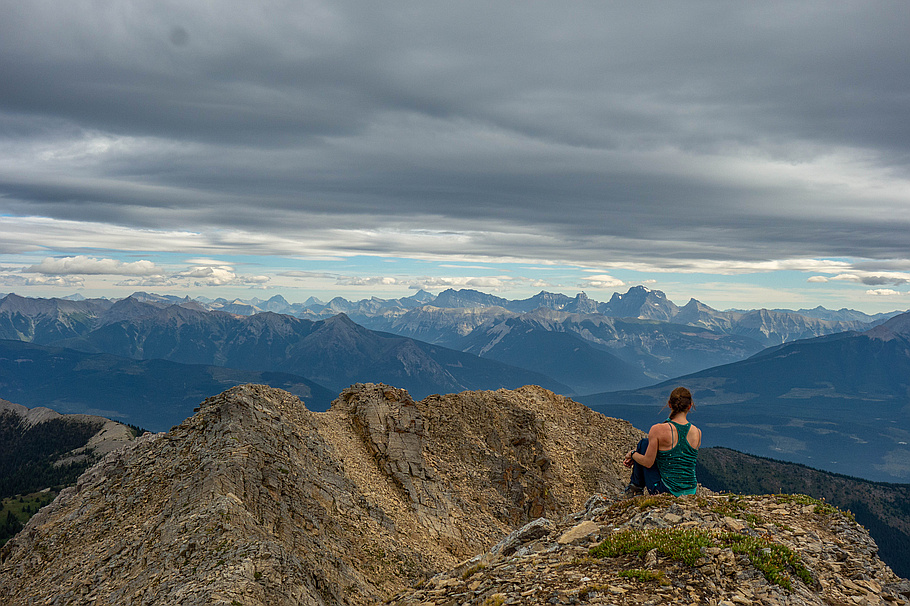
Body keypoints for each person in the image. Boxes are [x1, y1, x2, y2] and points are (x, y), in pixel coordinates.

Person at [622, 386, 701, 496]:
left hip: (666, 490)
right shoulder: (697, 432)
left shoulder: (658, 429)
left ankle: (635, 489)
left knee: (644, 444)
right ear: (690, 406)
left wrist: (632, 454)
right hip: (690, 491)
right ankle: (635, 488)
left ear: (669, 404)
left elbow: (648, 463)